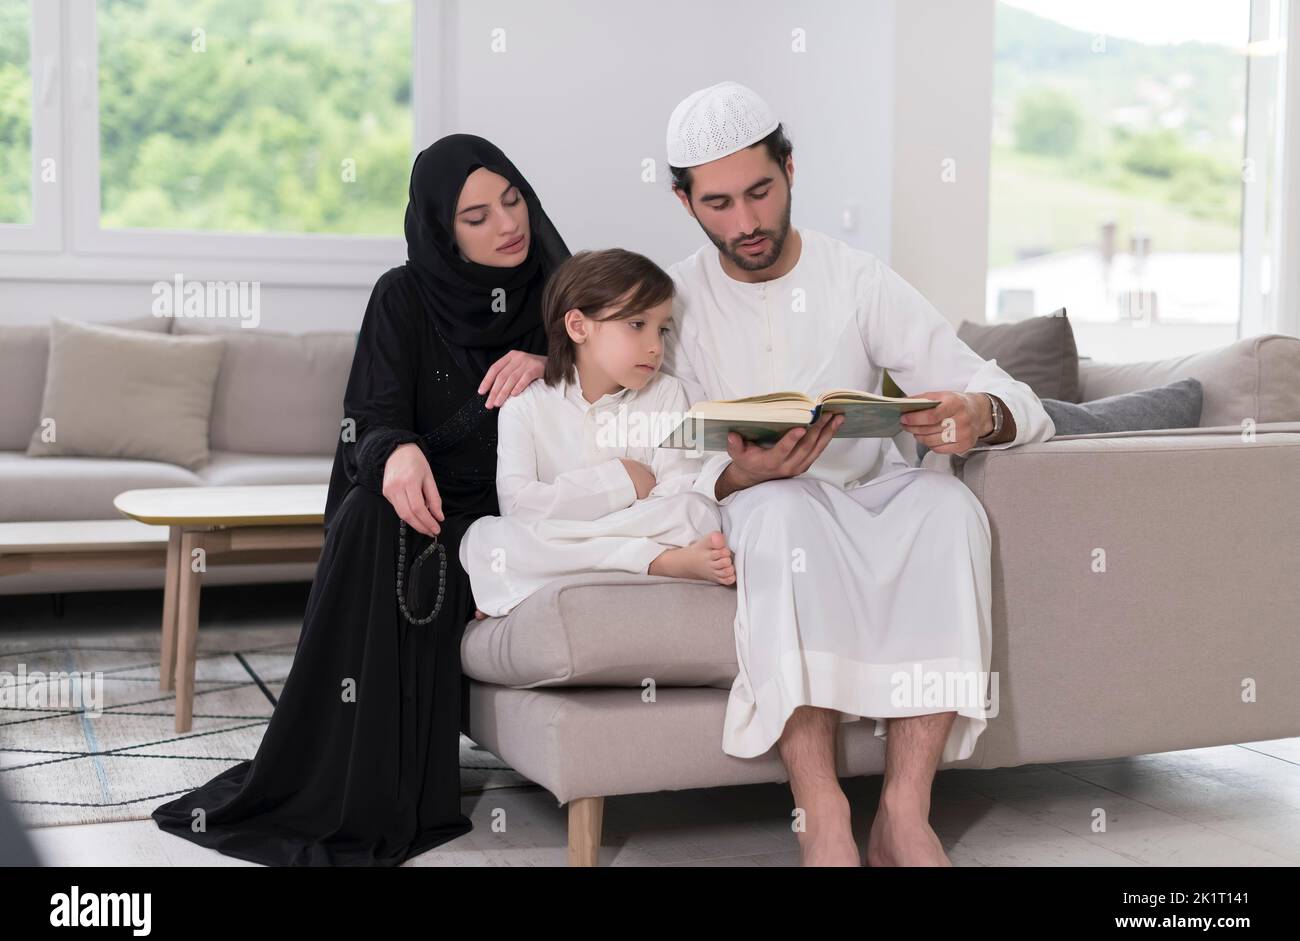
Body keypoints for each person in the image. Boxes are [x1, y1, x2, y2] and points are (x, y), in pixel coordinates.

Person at [660, 81, 1057, 866]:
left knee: (948, 508)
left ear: (792, 170)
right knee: (780, 511)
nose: (744, 223)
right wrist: (739, 477)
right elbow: (654, 454)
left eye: (760, 192)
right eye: (718, 204)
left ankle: (905, 815)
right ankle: (825, 813)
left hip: (869, 497)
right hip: (761, 509)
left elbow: (1011, 395)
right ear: (685, 203)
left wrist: (978, 412)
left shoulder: (857, 278)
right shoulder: (668, 301)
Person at [151, 134, 569, 865]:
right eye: (476, 216)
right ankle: (356, 785)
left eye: (513, 200)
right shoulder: (402, 296)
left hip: (509, 518)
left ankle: (389, 786)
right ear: (441, 229)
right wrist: (397, 450)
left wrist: (553, 359)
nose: (508, 225)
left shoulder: (564, 296)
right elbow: (367, 418)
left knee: (405, 527)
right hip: (421, 506)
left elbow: (624, 369)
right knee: (379, 514)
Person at [460, 248, 734, 619]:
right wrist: (621, 480)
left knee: (695, 511)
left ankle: (536, 575)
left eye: (662, 329)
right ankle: (657, 562)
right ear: (578, 326)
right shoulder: (525, 405)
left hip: (570, 537)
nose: (655, 346)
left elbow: (678, 490)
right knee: (485, 539)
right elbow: (520, 508)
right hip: (625, 532)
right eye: (637, 325)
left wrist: (576, 523)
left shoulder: (667, 393)